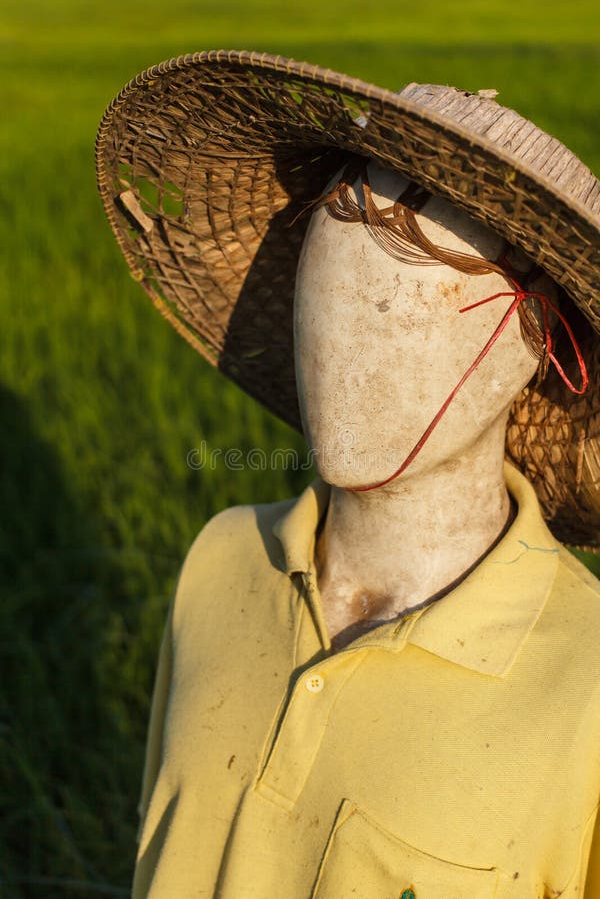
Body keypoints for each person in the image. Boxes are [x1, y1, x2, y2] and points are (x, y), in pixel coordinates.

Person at [96, 54, 600, 897]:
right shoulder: (221, 561)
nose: (342, 358)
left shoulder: (585, 681)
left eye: (399, 312)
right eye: (327, 299)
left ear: (538, 342)